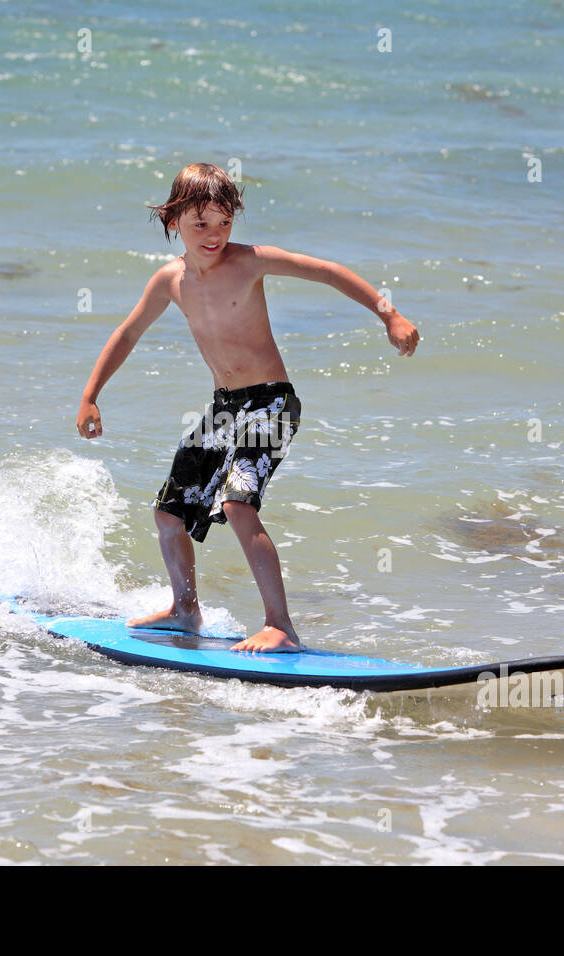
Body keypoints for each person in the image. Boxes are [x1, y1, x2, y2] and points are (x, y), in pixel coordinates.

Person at [76, 163, 418, 652]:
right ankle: (184, 611)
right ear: (173, 222)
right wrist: (91, 395)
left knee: (238, 504)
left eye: (224, 223)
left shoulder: (250, 262)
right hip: (224, 408)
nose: (214, 235)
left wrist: (392, 316)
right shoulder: (169, 282)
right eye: (200, 225)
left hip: (272, 402)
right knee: (169, 513)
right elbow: (127, 333)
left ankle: (281, 626)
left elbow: (326, 272)